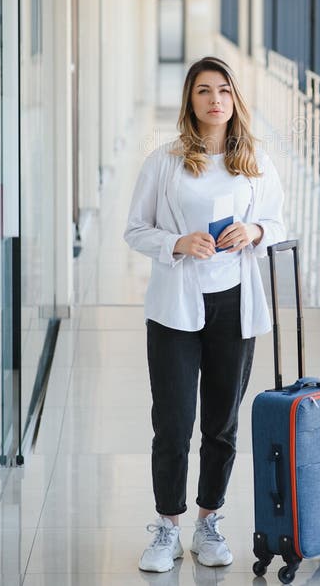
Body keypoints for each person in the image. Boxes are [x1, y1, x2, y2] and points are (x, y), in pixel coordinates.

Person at [124, 56, 286, 573]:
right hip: (175, 309)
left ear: (235, 99)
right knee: (172, 424)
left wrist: (254, 232)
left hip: (234, 305)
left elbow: (278, 222)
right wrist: (177, 241)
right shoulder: (165, 162)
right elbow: (134, 229)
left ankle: (207, 522)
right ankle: (167, 528)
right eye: (203, 91)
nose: (215, 99)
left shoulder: (255, 161)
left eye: (223, 90)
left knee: (222, 424)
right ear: (190, 102)